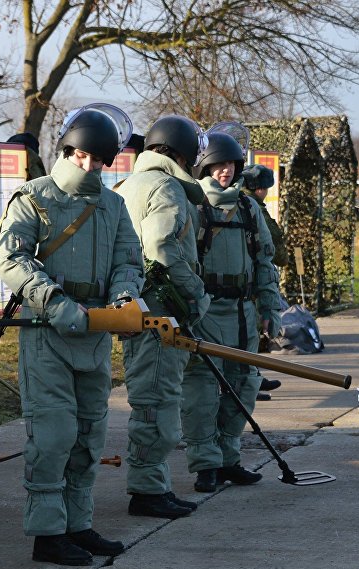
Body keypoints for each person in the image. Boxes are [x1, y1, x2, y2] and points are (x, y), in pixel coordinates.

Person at [0, 103, 143, 566]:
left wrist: (122, 299)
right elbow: (12, 259)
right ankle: (47, 533)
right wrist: (57, 303)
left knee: (89, 435)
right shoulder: (34, 198)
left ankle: (78, 525)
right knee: (53, 434)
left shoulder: (113, 204)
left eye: (100, 159)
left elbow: (128, 261)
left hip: (97, 333)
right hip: (47, 335)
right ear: (67, 150)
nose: (91, 166)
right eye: (83, 155)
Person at [115, 115, 209, 519]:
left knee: (149, 397)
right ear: (182, 153)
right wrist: (195, 292)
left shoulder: (126, 185)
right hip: (160, 310)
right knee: (157, 398)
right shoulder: (166, 186)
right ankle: (148, 489)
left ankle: (151, 484)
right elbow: (161, 245)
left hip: (136, 307)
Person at [181, 129, 280, 493]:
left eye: (231, 165)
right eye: (218, 164)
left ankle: (228, 457)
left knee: (245, 386)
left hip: (243, 312)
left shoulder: (248, 208)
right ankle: (205, 464)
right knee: (202, 392)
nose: (225, 171)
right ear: (206, 166)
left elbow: (265, 262)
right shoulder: (191, 207)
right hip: (205, 311)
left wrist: (271, 307)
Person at [241, 163, 285, 397]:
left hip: (252, 279)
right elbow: (273, 247)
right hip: (253, 281)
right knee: (253, 333)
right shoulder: (252, 208)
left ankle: (253, 377)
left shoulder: (244, 205)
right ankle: (250, 381)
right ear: (258, 188)